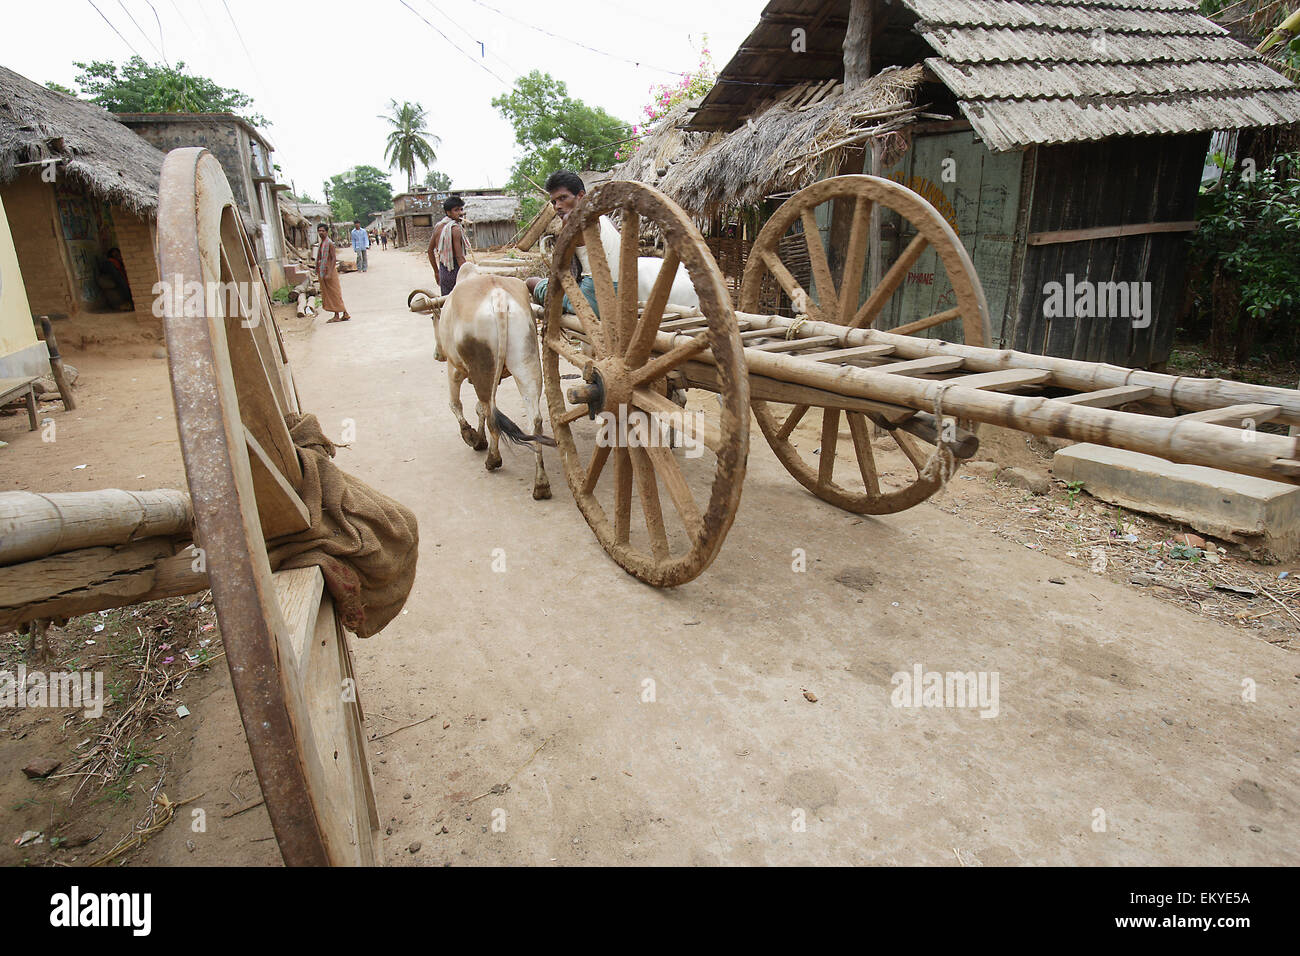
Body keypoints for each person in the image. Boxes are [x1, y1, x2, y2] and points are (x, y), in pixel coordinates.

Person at [525, 170, 617, 317]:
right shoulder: (606, 220)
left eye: (563, 198)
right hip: (622, 295)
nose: (557, 206)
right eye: (554, 202)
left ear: (581, 196)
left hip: (593, 301)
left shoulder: (572, 221)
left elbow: (561, 269)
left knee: (532, 281)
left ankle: (552, 327)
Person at [428, 195, 470, 295]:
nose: (460, 213)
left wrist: (437, 272)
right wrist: (469, 275)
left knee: (447, 304)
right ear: (448, 212)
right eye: (456, 210)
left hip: (444, 272)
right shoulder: (455, 229)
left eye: (461, 209)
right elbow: (459, 258)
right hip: (456, 272)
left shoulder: (438, 227)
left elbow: (430, 251)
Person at [316, 223, 350, 322]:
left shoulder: (329, 243)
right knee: (330, 294)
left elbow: (333, 258)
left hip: (329, 271)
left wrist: (329, 272)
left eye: (323, 231)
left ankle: (338, 314)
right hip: (323, 271)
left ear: (327, 232)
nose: (321, 232)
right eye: (319, 231)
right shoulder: (322, 243)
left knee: (334, 293)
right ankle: (344, 313)